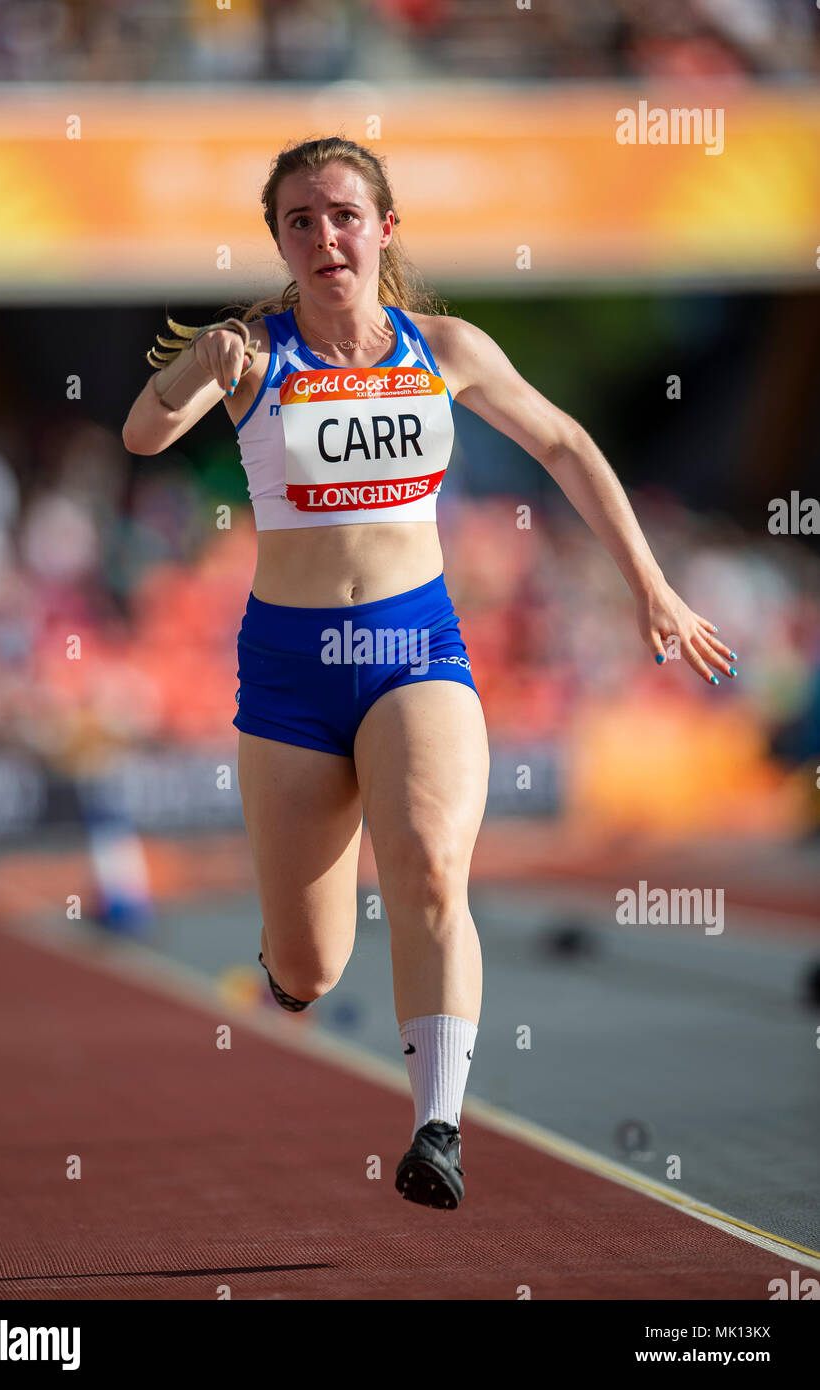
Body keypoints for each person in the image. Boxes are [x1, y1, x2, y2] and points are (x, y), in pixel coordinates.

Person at [122, 136, 738, 1210]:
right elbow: (140, 433)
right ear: (279, 241)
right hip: (290, 671)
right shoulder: (255, 356)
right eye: (301, 220)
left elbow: (567, 445)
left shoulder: (442, 347)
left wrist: (651, 586)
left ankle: (438, 1127)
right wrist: (196, 366)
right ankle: (285, 966)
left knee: (427, 863)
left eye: (345, 214)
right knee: (310, 970)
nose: (325, 236)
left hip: (417, 649)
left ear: (385, 229)